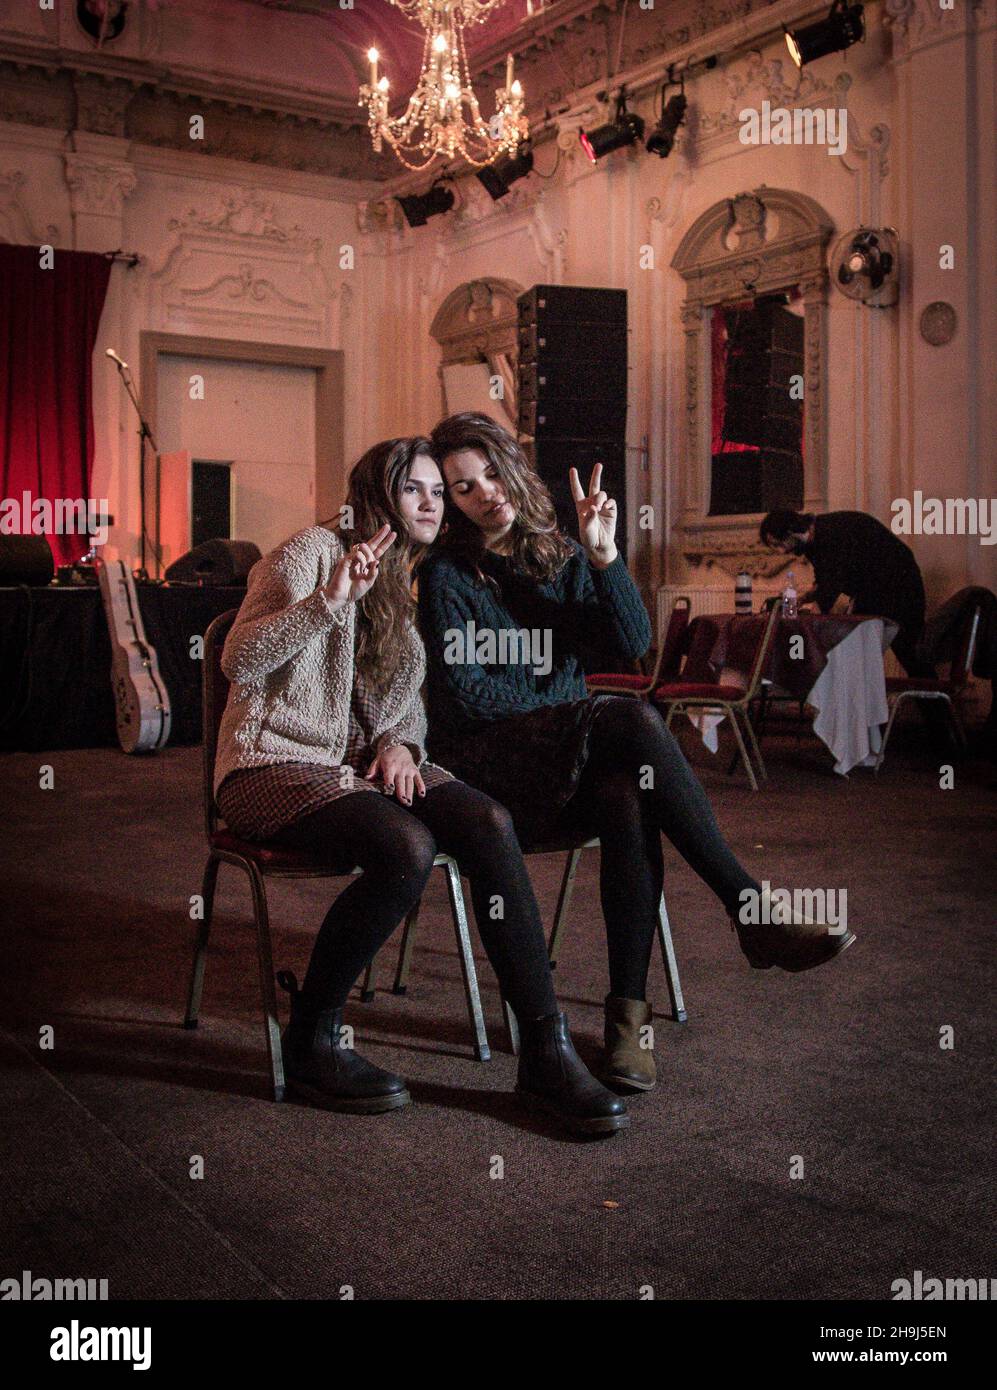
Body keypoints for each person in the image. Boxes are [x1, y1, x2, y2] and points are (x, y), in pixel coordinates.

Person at [418, 413, 856, 1095]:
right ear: (452, 503)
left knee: (627, 792)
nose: (487, 494)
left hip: (562, 751)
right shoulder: (448, 574)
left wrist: (603, 555)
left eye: (491, 473)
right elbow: (465, 698)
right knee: (623, 719)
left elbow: (628, 640)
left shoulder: (556, 552)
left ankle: (628, 1020)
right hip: (488, 771)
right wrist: (571, 717)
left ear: (512, 467)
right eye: (464, 488)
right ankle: (748, 910)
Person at [213, 436, 627, 1136]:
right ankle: (313, 1036)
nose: (432, 503)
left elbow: (405, 698)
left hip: (362, 766)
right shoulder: (309, 552)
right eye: (415, 490)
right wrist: (327, 600)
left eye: (439, 491)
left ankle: (542, 1049)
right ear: (379, 495)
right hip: (271, 765)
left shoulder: (410, 578)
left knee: (486, 821)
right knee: (404, 847)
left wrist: (401, 743)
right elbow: (238, 660)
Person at [759, 508, 934, 677]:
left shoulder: (831, 534)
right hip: (876, 590)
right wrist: (803, 599)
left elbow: (830, 587)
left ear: (791, 531)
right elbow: (823, 583)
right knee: (859, 653)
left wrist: (810, 626)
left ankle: (938, 705)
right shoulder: (816, 538)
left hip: (899, 588)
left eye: (778, 543)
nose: (781, 551)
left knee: (910, 655)